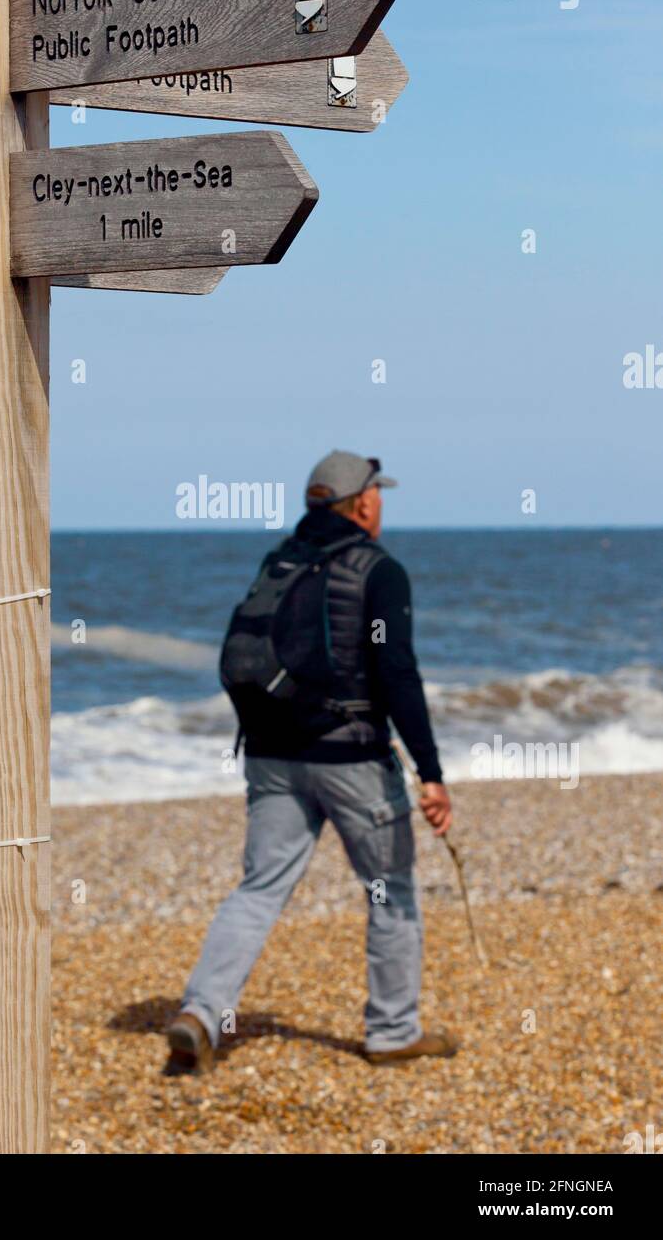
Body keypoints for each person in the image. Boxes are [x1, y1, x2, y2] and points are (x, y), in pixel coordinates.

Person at [166, 449, 457, 1074]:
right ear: (365, 502)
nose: (381, 504)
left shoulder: (279, 562)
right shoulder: (380, 571)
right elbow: (396, 671)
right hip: (351, 760)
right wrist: (431, 773)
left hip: (271, 756)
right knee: (389, 891)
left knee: (259, 889)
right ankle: (392, 1032)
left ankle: (200, 1012)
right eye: (379, 494)